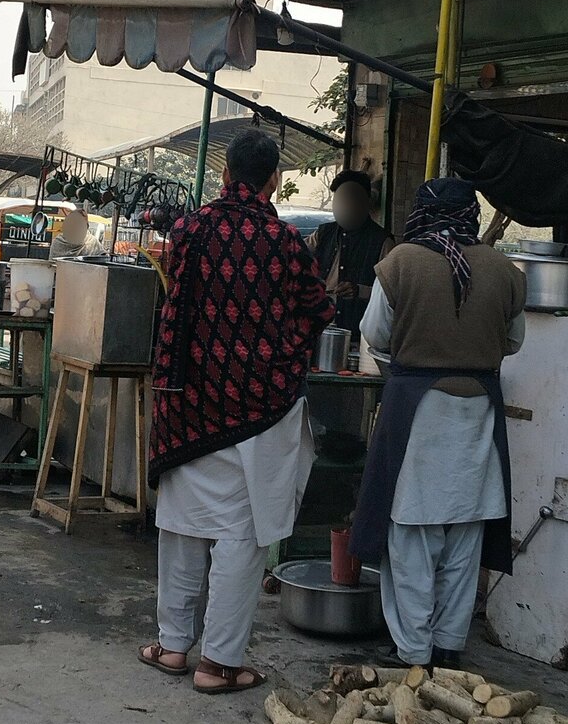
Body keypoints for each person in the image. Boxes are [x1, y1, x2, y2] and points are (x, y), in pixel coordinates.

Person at [139, 129, 334, 693]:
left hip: (189, 407)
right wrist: (276, 348)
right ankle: (218, 664)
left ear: (224, 175)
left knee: (180, 528)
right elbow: (318, 310)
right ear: (274, 179)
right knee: (242, 537)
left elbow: (180, 304)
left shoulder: (188, 230)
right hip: (261, 411)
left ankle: (173, 647)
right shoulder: (288, 242)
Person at [351, 178, 526, 670]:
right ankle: (449, 645)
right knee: (464, 537)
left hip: (417, 413)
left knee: (411, 541)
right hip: (480, 415)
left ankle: (412, 652)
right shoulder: (506, 271)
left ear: (419, 214)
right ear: (472, 216)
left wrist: (416, 357)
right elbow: (513, 343)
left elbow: (375, 337)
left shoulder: (399, 264)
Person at [307, 170, 394, 339]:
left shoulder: (382, 242)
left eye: (352, 199)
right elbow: (297, 255)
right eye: (341, 200)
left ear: (367, 202)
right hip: (320, 327)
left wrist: (359, 290)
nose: (346, 205)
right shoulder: (323, 233)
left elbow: (391, 294)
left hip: (358, 333)